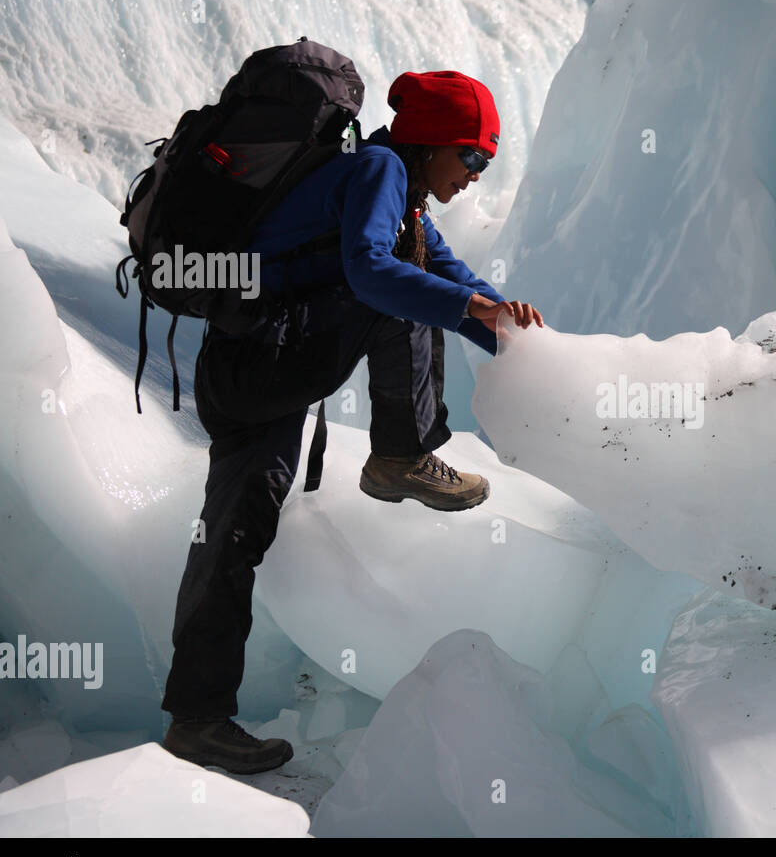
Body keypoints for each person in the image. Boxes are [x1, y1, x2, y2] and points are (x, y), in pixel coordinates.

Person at [159, 70, 543, 774]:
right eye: (473, 157)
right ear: (431, 145)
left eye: (486, 163)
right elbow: (372, 275)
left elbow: (456, 279)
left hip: (251, 368)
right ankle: (400, 454)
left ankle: (197, 718)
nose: (477, 177)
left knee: (236, 532)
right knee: (403, 286)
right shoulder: (376, 170)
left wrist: (522, 336)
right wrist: (470, 312)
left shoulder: (405, 199)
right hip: (257, 364)